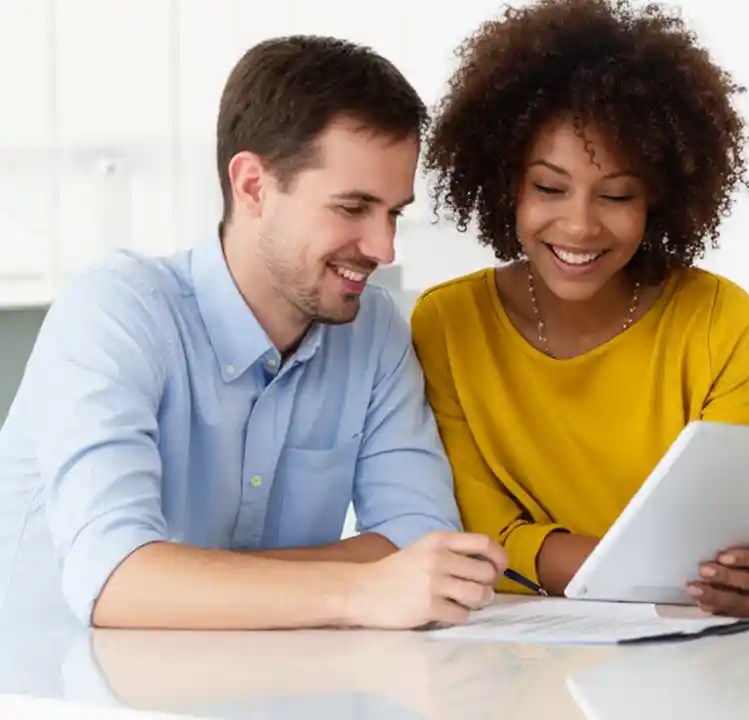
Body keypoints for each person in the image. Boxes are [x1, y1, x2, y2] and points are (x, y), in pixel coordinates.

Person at [0, 35, 506, 631]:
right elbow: (114, 579)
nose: (384, 248)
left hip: (252, 674)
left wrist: (185, 579)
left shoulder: (373, 331)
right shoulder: (115, 311)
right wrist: (360, 588)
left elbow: (421, 544)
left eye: (393, 213)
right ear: (252, 186)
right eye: (352, 208)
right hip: (60, 677)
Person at [411, 0, 749, 617]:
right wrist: (668, 570)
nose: (579, 225)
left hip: (705, 629)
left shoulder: (717, 321)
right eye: (549, 187)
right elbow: (479, 532)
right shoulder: (447, 323)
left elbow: (716, 542)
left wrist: (743, 579)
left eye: (617, 195)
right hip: (527, 645)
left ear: (659, 200)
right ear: (506, 182)